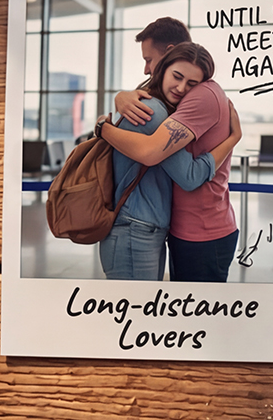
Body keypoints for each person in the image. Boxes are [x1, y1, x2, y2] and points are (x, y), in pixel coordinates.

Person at [97, 43, 241, 282]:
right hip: (134, 229)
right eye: (177, 76)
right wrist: (103, 128)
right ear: (165, 67)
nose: (182, 88)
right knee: (137, 312)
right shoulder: (152, 113)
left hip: (142, 228)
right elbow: (190, 176)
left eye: (192, 84)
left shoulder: (163, 110)